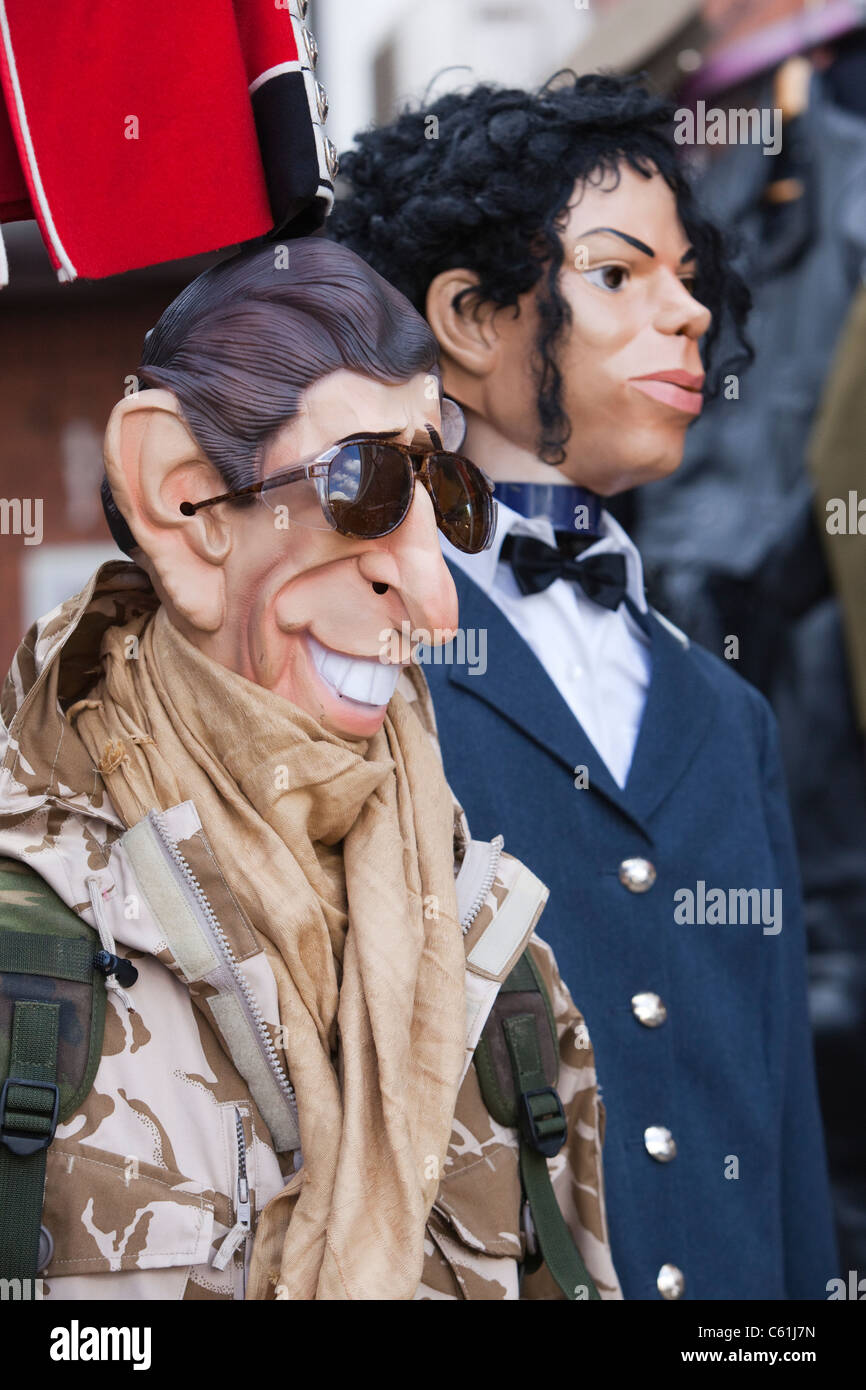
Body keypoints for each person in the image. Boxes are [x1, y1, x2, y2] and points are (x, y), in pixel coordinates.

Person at [0, 237, 621, 1301]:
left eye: (440, 486)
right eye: (365, 482)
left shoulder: (503, 974)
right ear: (185, 505)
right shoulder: (30, 958)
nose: (434, 605)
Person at [329, 71, 839, 1300]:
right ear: (467, 313)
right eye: (620, 273)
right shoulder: (357, 669)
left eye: (686, 273)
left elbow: (783, 1155)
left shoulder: (727, 717)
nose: (689, 312)